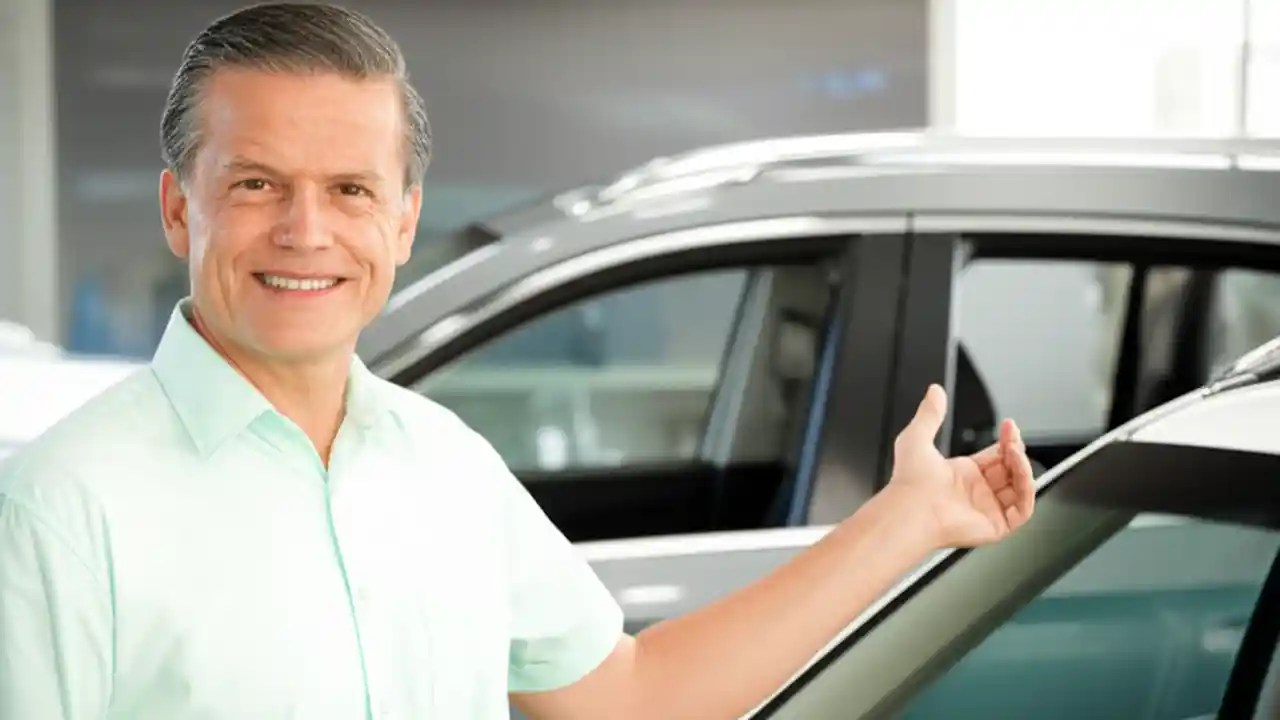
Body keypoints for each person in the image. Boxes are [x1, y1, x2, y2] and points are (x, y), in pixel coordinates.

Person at [0, 4, 1035, 719]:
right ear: (181, 207)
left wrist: (906, 522)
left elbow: (631, 697)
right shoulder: (58, 508)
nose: (306, 232)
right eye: (258, 185)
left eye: (351, 191)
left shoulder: (445, 465)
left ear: (403, 221)